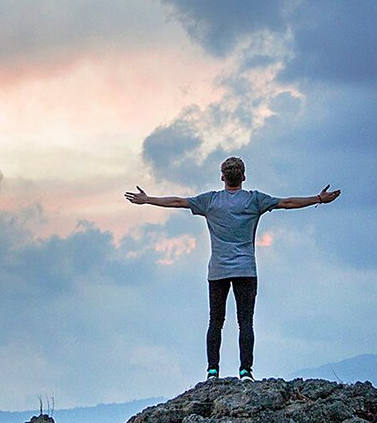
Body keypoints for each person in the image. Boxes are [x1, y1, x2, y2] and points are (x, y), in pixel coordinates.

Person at [125, 156, 341, 382]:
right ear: (244, 177)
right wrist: (318, 198)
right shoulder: (255, 200)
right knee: (245, 321)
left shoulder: (210, 201)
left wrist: (147, 199)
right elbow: (287, 203)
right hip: (246, 270)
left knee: (215, 321)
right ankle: (245, 371)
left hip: (218, 271)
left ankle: (212, 371)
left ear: (222, 177)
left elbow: (178, 202)